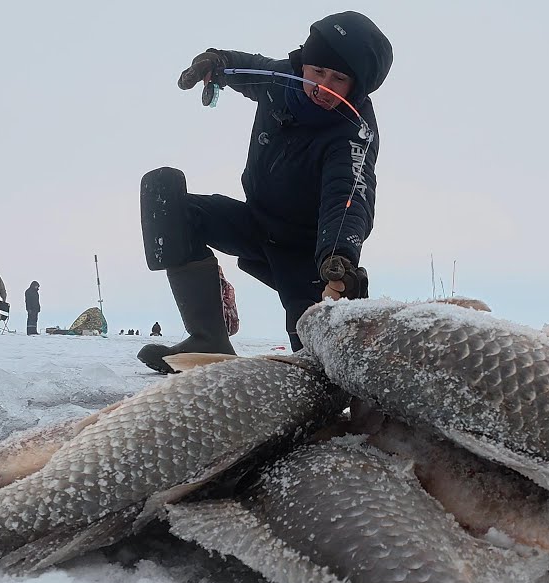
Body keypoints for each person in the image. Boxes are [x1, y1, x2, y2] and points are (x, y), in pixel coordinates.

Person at [136, 11, 392, 373]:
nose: (324, 86)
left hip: (310, 253)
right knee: (166, 199)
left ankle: (346, 308)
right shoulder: (281, 81)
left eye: (339, 79)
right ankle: (208, 340)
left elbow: (348, 196)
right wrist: (214, 63)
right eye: (318, 72)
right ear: (305, 63)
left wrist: (340, 257)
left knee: (319, 369)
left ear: (357, 86)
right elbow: (243, 67)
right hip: (257, 223)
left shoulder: (354, 134)